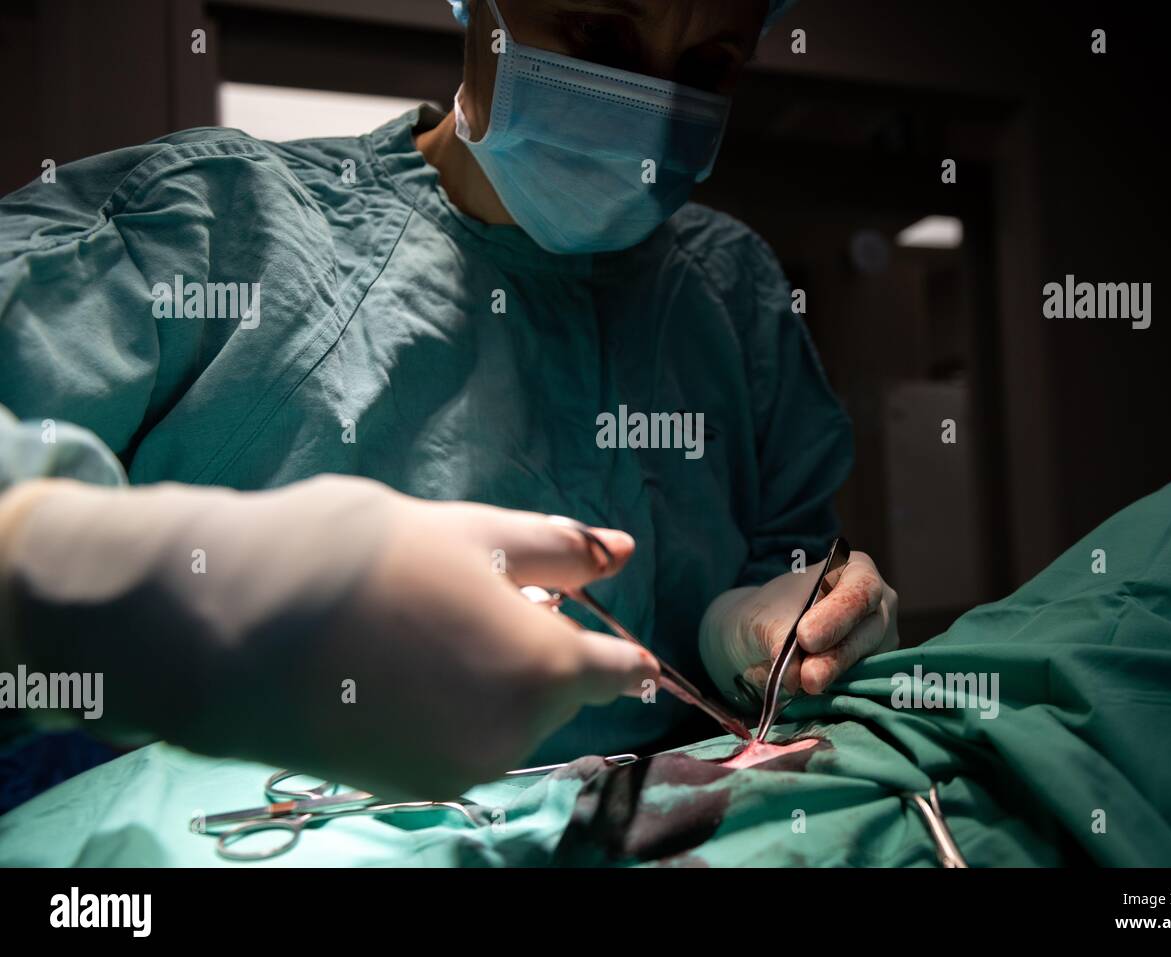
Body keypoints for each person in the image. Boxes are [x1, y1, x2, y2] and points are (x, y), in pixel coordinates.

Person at [0, 0, 898, 804]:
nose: (652, 106)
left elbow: (777, 557)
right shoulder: (207, 229)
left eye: (706, 66)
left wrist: (753, 633)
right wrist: (157, 588)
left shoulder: (730, 293)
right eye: (597, 32)